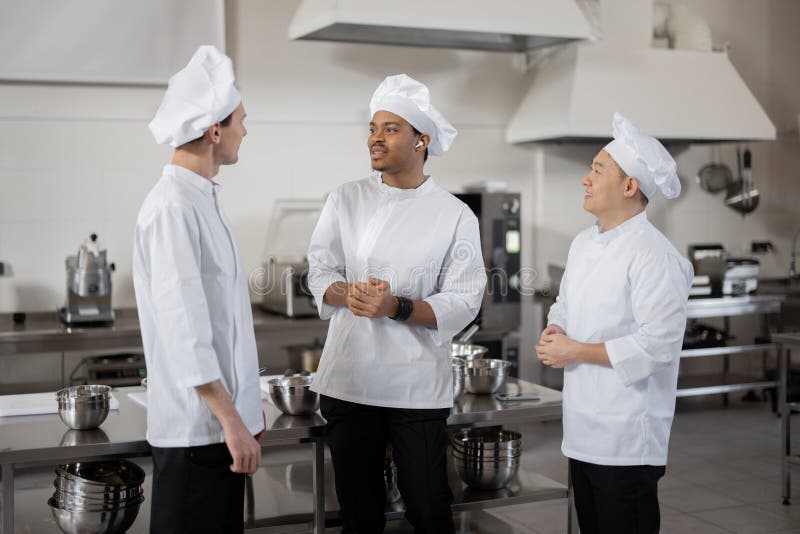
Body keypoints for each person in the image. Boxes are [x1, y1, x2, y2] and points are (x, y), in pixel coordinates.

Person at [306, 73, 487, 533]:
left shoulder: (453, 214)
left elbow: (465, 299)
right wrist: (350, 294)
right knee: (359, 516)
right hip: (350, 380)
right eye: (372, 128)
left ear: (421, 140)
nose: (375, 139)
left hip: (415, 387)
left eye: (390, 129)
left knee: (428, 509)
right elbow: (319, 270)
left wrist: (396, 307)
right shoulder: (346, 198)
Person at [536, 112, 693, 534]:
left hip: (627, 438)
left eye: (597, 169)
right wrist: (555, 332)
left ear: (629, 186)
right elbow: (564, 307)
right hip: (584, 427)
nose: (586, 179)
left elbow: (658, 345)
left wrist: (574, 351)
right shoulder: (583, 243)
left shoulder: (654, 255)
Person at [133, 45, 265, 534]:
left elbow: (223, 323)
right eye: (241, 121)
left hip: (218, 430)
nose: (245, 131)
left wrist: (246, 410)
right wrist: (232, 420)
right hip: (197, 434)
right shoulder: (172, 207)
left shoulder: (202, 199)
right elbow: (186, 330)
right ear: (214, 130)